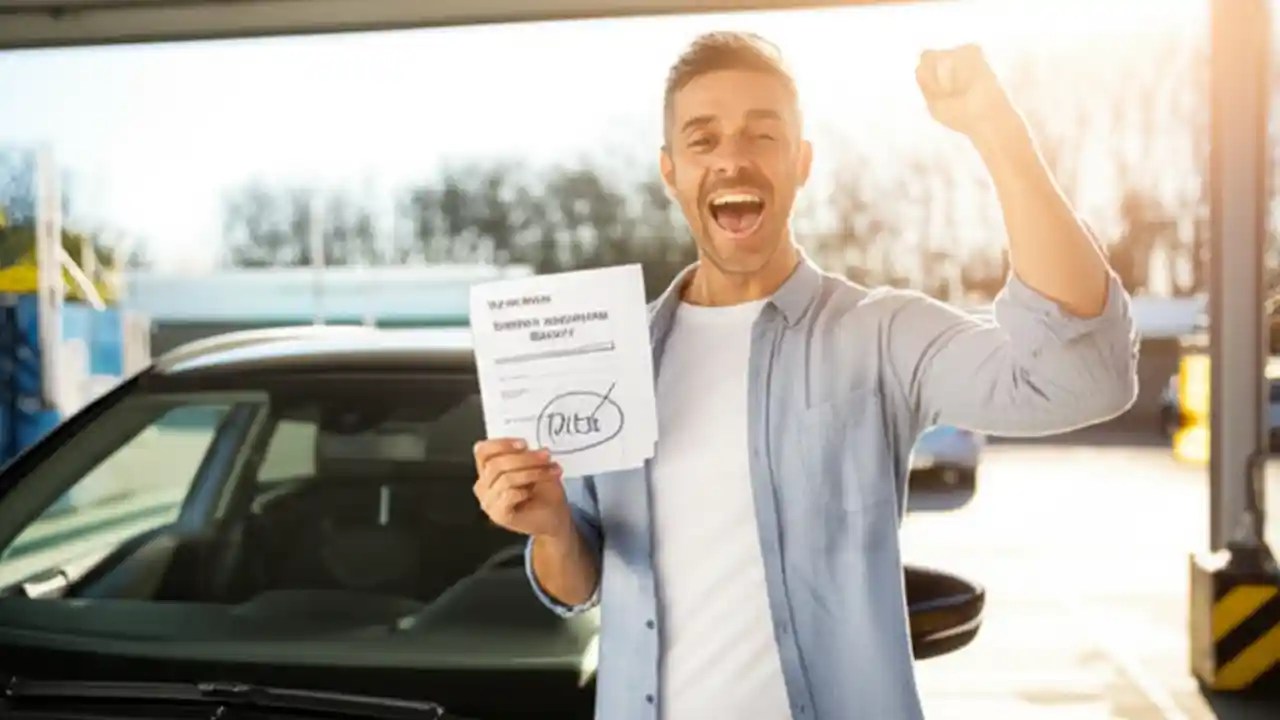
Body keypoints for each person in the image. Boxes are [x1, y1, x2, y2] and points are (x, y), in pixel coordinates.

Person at [471, 31, 1137, 720]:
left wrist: (1000, 135)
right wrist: (550, 527)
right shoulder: (611, 359)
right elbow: (578, 586)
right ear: (670, 173)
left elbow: (1082, 378)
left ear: (801, 161)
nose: (732, 158)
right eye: (703, 140)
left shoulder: (881, 335)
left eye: (762, 135)